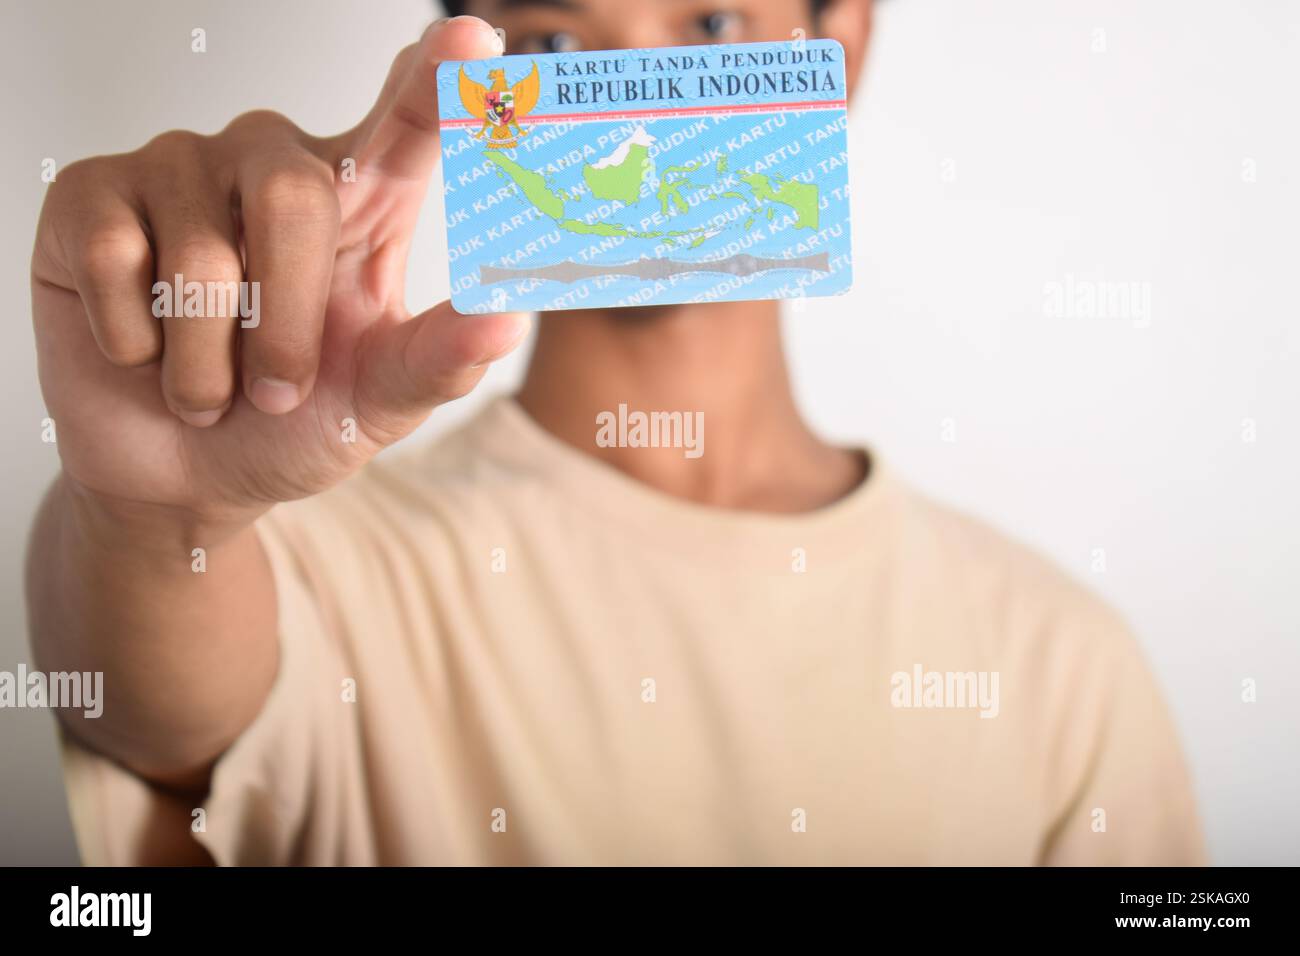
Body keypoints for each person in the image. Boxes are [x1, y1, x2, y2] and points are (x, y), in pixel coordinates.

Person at [26, 0, 1204, 865]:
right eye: (552, 50)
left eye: (706, 25)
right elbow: (158, 709)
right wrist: (157, 517)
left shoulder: (1062, 665)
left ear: (835, 43)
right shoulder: (316, 569)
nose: (643, 104)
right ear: (468, 86)